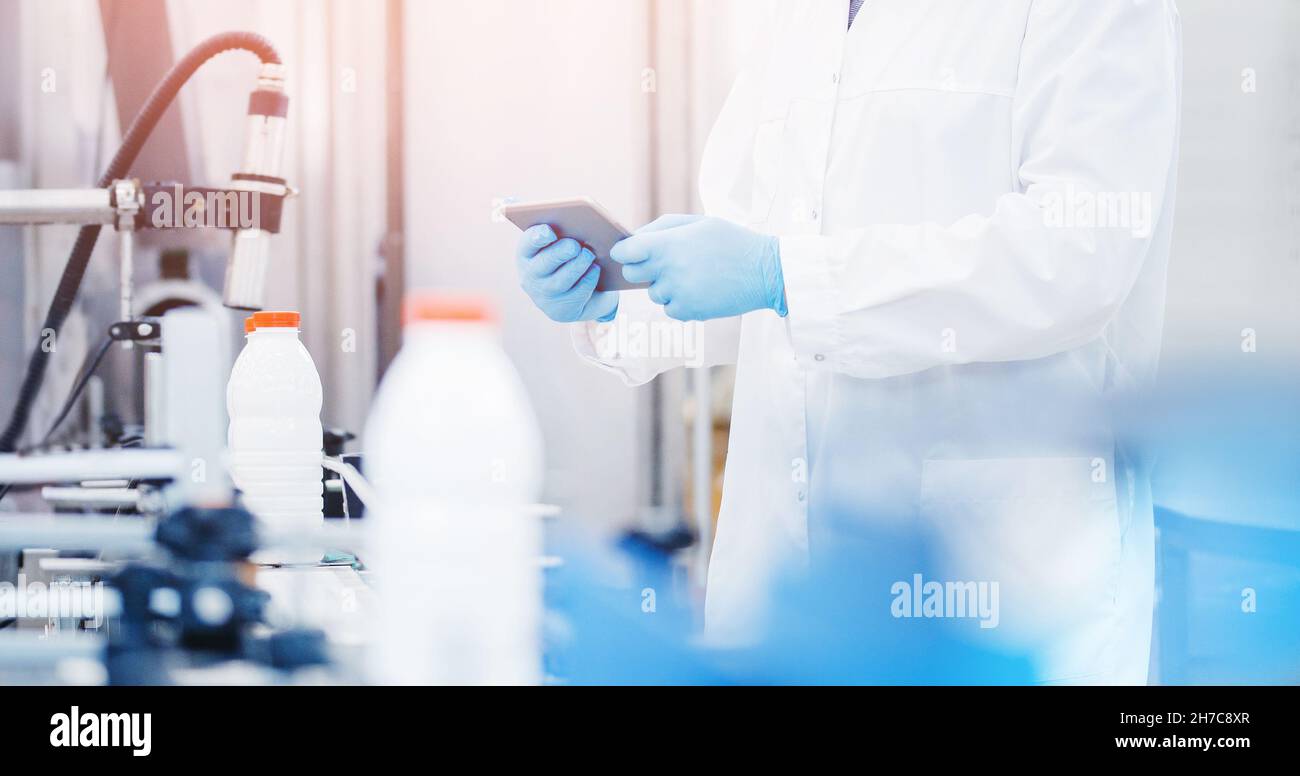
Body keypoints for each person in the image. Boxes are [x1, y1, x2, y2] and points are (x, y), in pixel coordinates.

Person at [514, 1, 1182, 684]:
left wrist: (781, 274)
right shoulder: (798, 17)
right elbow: (750, 264)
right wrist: (616, 299)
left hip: (997, 590)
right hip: (781, 598)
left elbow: (1075, 256)